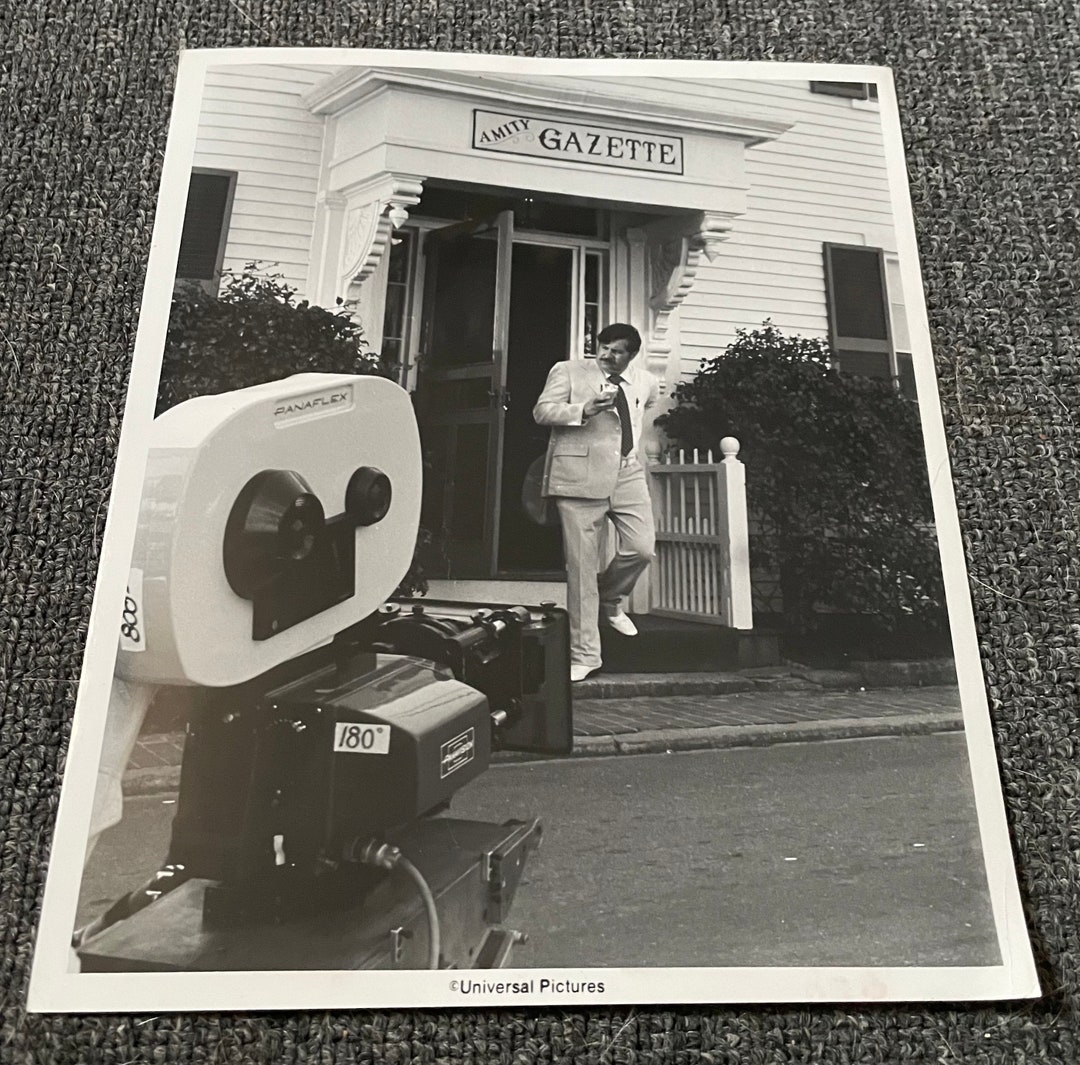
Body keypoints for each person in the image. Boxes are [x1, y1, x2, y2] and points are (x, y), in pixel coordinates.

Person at [533, 323, 660, 682]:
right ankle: (585, 654)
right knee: (581, 568)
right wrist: (584, 409)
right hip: (579, 476)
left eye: (617, 350)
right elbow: (542, 412)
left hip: (627, 473)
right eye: (603, 346)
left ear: (631, 355)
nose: (607, 354)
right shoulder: (568, 370)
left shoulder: (646, 381)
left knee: (641, 547)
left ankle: (609, 598)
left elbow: (643, 408)